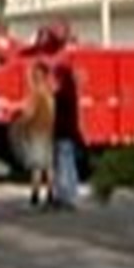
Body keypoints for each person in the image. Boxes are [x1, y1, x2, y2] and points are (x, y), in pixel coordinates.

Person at [11, 60, 55, 208]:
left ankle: (35, 195)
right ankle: (50, 193)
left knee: (36, 166)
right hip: (48, 132)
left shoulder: (36, 94)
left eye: (32, 76)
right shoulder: (49, 93)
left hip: (36, 131)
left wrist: (19, 125)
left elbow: (29, 114)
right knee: (48, 165)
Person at [52, 62, 84, 211]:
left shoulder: (63, 94)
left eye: (56, 75)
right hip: (69, 134)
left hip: (63, 134)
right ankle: (70, 196)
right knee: (69, 166)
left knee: (63, 166)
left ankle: (65, 197)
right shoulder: (71, 92)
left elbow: (56, 103)